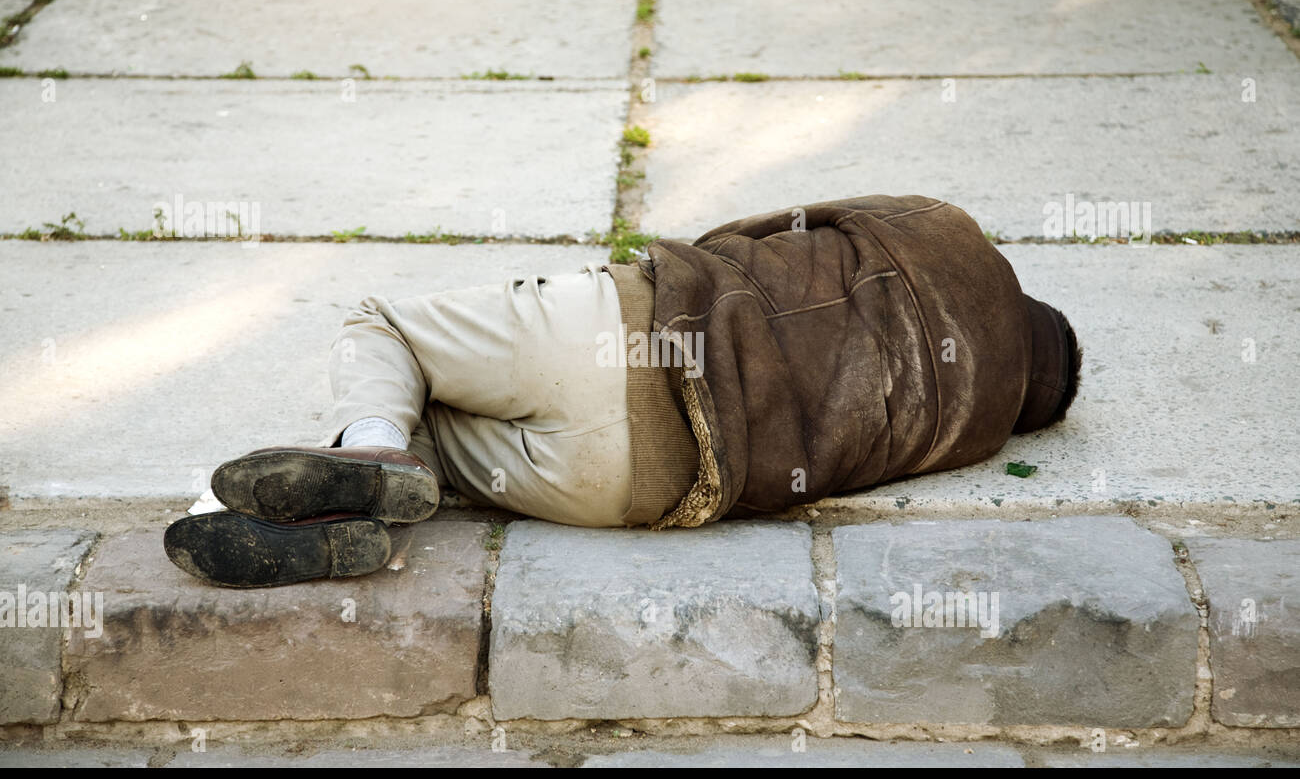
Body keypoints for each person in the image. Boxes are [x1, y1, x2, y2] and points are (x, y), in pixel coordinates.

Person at [164, 195, 1083, 588]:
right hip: (637, 485)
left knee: (386, 331)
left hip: (635, 333)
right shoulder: (974, 433)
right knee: (440, 452)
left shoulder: (947, 231)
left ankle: (364, 452)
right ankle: (348, 502)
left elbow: (760, 230)